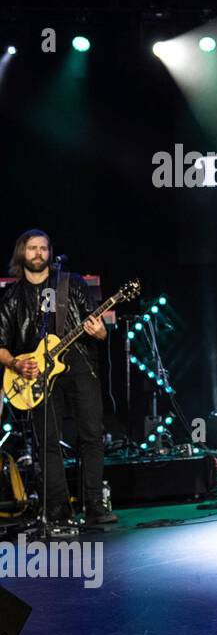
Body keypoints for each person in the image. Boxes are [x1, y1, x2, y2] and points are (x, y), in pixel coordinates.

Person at [0, 229, 114, 534]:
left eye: (44, 248)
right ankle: (59, 510)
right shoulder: (11, 297)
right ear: (21, 253)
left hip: (78, 364)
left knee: (91, 435)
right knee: (47, 442)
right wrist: (14, 362)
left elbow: (97, 325)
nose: (38, 253)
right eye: (32, 248)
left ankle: (95, 507)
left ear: (51, 253)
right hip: (35, 374)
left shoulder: (71, 284)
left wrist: (101, 333)